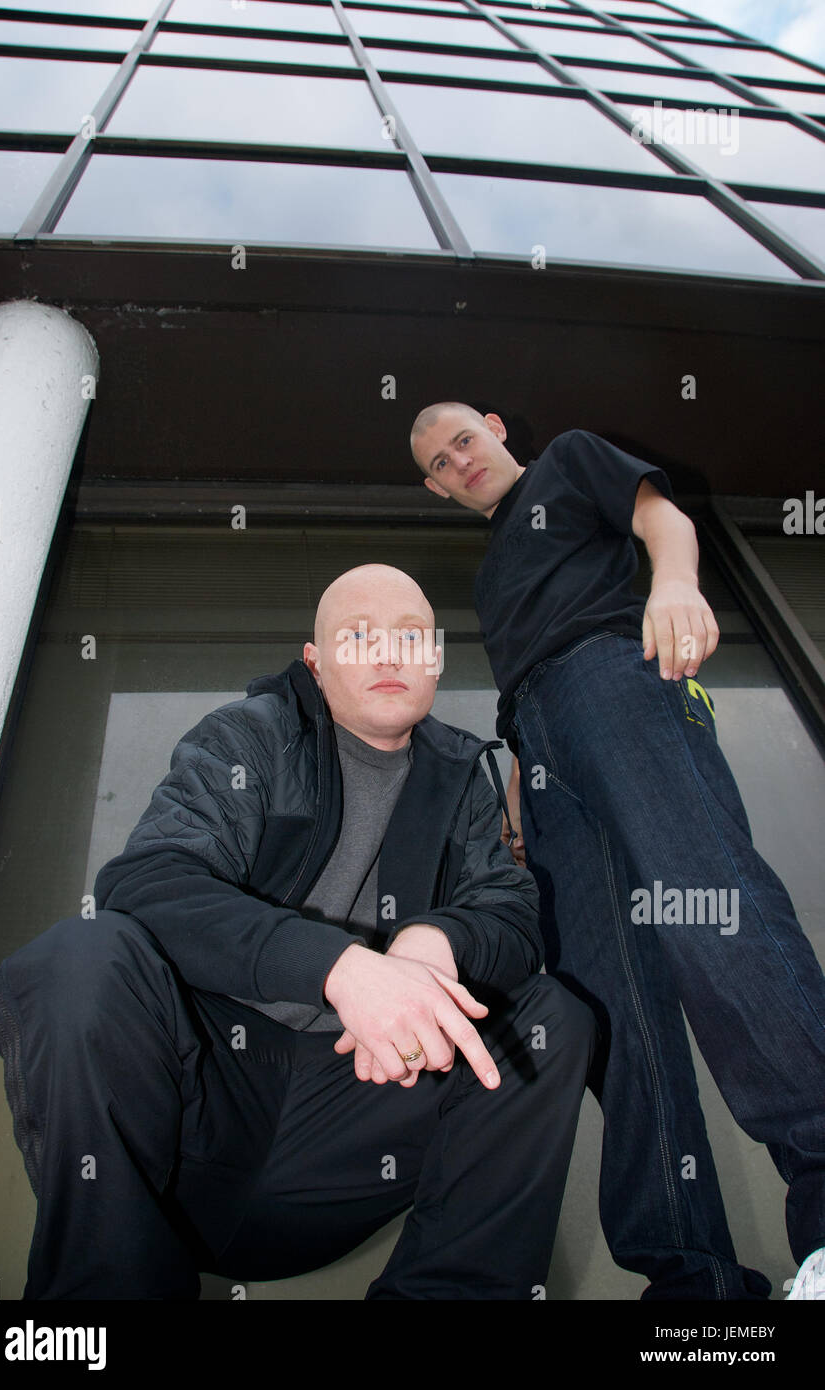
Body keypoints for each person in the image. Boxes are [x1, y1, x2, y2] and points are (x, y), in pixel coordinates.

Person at [0, 563, 596, 1300]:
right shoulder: (251, 737)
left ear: (436, 660)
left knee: (550, 1018)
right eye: (358, 636)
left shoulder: (462, 776)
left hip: (356, 1113)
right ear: (316, 661)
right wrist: (342, 969)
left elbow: (511, 914)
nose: (389, 654)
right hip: (198, 1102)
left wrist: (437, 944)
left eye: (410, 638)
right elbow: (145, 884)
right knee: (81, 954)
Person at [410, 402, 825, 1302]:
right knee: (607, 1007)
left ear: (494, 428)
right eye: (442, 462)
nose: (460, 461)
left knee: (714, 915)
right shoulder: (491, 578)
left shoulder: (566, 462)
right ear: (436, 486)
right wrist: (520, 801)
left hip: (617, 684)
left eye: (465, 440)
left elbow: (660, 515)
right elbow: (521, 690)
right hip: (544, 752)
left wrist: (674, 583)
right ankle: (692, 1287)